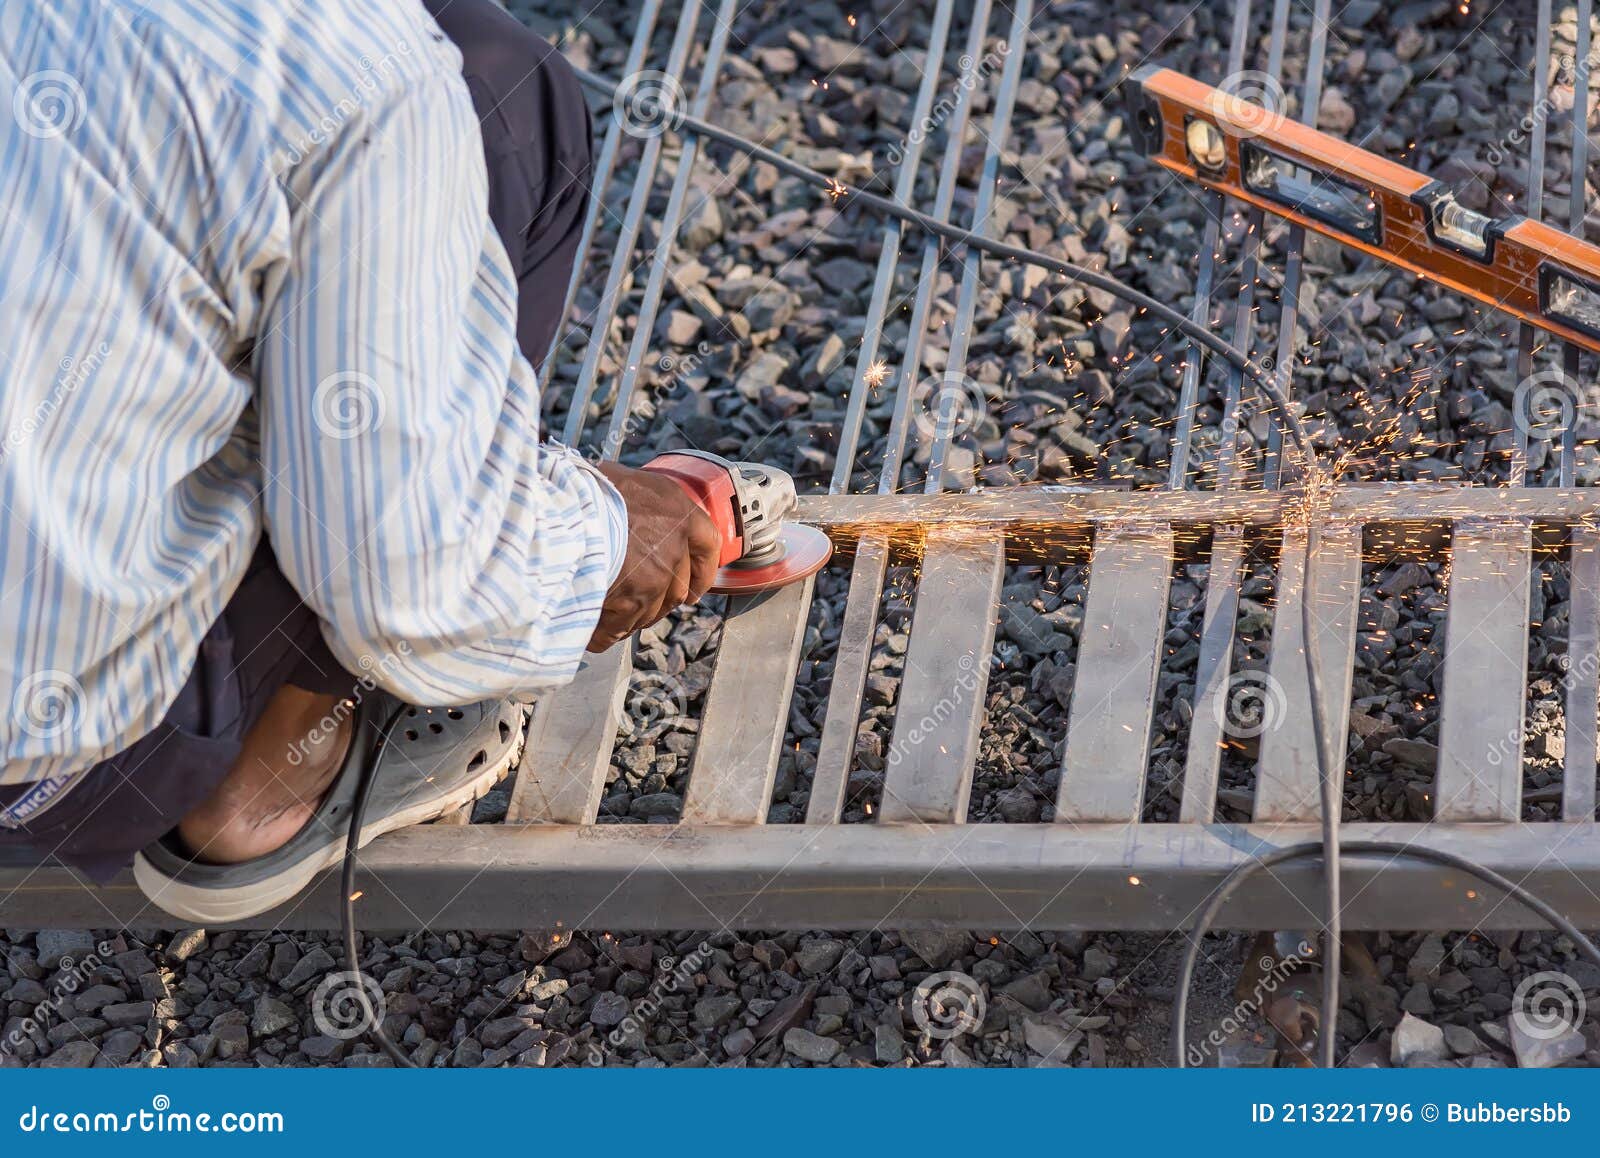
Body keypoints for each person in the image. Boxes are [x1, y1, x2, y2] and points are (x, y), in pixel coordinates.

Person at [0, 0, 719, 921]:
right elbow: (407, 587)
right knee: (505, 93)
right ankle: (264, 781)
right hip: (62, 757)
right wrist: (596, 539)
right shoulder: (349, 65)